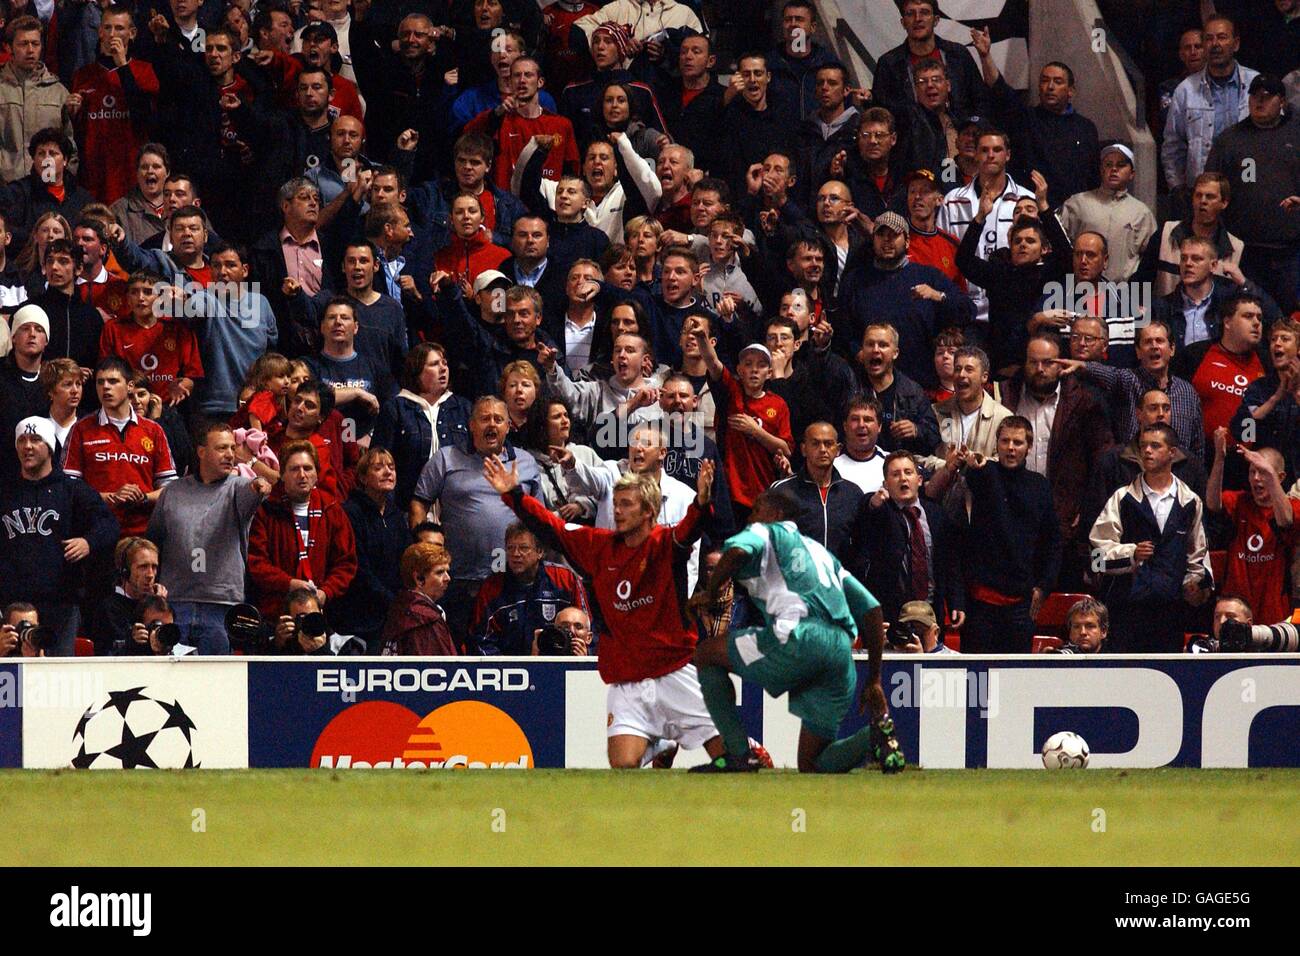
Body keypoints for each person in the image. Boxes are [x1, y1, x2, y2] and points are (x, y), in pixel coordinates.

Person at [485, 451, 724, 769]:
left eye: (627, 504)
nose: (618, 510)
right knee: (622, 767)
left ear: (649, 511)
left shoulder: (665, 545)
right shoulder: (598, 546)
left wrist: (701, 504)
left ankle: (726, 748)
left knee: (730, 757)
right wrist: (514, 496)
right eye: (616, 502)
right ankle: (661, 741)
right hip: (626, 679)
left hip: (674, 670)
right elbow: (552, 528)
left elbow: (689, 530)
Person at [689, 489, 903, 773]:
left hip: (796, 639)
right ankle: (874, 736)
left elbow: (737, 551)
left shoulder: (765, 531)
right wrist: (874, 678)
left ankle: (740, 754)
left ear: (775, 514)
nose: (750, 517)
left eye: (756, 510)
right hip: (840, 652)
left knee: (705, 653)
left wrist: (711, 591)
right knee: (812, 764)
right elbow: (872, 610)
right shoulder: (821, 554)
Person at [410, 396, 540, 640]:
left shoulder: (526, 462)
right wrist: (424, 550)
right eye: (484, 419)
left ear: (508, 426)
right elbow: (419, 501)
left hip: (510, 579)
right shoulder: (446, 457)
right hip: (456, 580)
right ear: (471, 425)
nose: (492, 424)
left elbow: (538, 519)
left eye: (498, 419)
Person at [146, 420, 271, 654]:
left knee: (218, 683)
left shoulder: (238, 487)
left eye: (233, 448)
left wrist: (260, 485)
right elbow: (153, 541)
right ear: (201, 452)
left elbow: (253, 491)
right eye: (221, 448)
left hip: (222, 605)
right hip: (175, 602)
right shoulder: (172, 492)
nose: (230, 455)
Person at [1000, 335, 1113, 588]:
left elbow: (1103, 460)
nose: (1040, 370)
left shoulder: (1085, 402)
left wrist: (1087, 506)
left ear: (1061, 364)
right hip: (1012, 517)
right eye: (1033, 362)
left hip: (1065, 522)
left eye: (1048, 362)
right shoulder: (1006, 396)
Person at [1090, 422, 1213, 653]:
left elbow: (1199, 555)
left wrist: (1194, 586)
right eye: (1143, 446)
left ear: (1172, 453)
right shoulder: (1122, 498)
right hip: (1127, 609)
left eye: (1155, 446)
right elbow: (1096, 557)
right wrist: (1131, 554)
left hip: (1171, 613)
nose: (1147, 451)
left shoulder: (1190, 501)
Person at [0, 416, 118, 656]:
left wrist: (88, 542)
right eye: (21, 440)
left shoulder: (72, 489)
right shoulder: (6, 491)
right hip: (11, 605)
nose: (27, 446)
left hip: (60, 604)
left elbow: (109, 525)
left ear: (50, 447)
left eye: (35, 439)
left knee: (58, 676)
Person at [952, 416, 1061, 652]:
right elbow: (976, 470)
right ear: (997, 444)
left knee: (1016, 680)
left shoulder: (1039, 486)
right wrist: (974, 463)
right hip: (980, 602)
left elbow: (1052, 542)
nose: (1011, 448)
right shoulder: (985, 473)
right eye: (1005, 441)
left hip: (1021, 604)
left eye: (1018, 442)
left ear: (1029, 447)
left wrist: (1044, 586)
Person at [834, 212, 973, 389]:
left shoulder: (928, 275)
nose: (887, 240)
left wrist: (938, 296)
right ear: (873, 240)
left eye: (894, 235)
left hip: (922, 384)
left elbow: (968, 310)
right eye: (881, 235)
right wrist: (858, 352)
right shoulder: (856, 280)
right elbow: (842, 329)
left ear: (907, 242)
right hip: (869, 384)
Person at [1204, 73, 1300, 314]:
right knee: (1245, 313)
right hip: (1243, 251)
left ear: (1282, 102)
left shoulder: (1296, 134)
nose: (1259, 101)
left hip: (1290, 251)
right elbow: (1211, 184)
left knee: (1288, 317)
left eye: (1266, 97)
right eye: (1254, 96)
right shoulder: (1230, 139)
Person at [974, 41, 1100, 208]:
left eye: (1058, 81)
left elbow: (1093, 178)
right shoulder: (1025, 118)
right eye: (1045, 80)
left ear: (1071, 91)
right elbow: (998, 88)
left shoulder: (1086, 128)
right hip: (1032, 211)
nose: (1050, 87)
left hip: (1074, 213)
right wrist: (985, 56)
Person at [63, 357, 177, 536]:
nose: (106, 387)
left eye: (113, 381)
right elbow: (68, 487)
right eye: (100, 382)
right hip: (96, 533)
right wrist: (111, 497)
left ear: (130, 386)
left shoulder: (154, 430)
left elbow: (170, 489)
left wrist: (143, 498)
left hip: (144, 534)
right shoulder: (81, 429)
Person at [248, 439, 358, 620]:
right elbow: (257, 563)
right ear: (282, 475)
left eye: (308, 468)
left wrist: (326, 592)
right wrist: (289, 583)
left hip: (320, 612)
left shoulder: (331, 509)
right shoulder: (266, 511)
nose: (302, 475)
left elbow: (346, 562)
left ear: (317, 474)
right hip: (276, 612)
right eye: (294, 469)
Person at [694, 328, 793, 524]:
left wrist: (755, 431)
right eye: (748, 364)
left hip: (763, 491)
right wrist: (702, 338)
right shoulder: (731, 393)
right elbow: (713, 364)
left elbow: (786, 449)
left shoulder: (778, 404)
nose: (754, 370)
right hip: (730, 492)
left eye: (761, 365)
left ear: (770, 373)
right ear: (740, 370)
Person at [1161, 15, 1258, 206]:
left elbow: (1272, 137)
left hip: (1248, 187)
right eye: (1209, 38)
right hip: (1203, 192)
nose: (1215, 44)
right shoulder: (1185, 90)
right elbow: (1173, 145)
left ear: (1236, 44)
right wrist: (1177, 187)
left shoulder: (1256, 84)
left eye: (1222, 37)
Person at [68, 6, 159, 206]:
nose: (112, 35)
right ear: (99, 31)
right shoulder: (83, 75)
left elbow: (144, 118)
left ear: (132, 33)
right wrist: (72, 114)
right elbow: (78, 132)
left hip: (130, 173)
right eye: (107, 28)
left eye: (119, 28)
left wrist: (123, 67)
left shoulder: (144, 71)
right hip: (93, 177)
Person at [1207, 428, 1297, 625]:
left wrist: (1269, 474)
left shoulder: (1292, 507)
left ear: (1280, 477)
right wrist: (1220, 459)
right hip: (1236, 608)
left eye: (1262, 472)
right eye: (1252, 471)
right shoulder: (1240, 502)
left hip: (1275, 610)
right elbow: (1213, 503)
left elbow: (1286, 521)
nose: (1256, 478)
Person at [371, 342, 471, 509]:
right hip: (407, 507)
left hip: (456, 509)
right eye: (434, 364)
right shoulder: (396, 409)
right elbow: (379, 462)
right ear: (416, 372)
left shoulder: (463, 407)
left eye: (444, 363)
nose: (443, 368)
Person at [468, 522, 591, 655]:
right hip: (511, 668)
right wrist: (511, 670)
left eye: (523, 548)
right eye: (510, 548)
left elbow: (586, 627)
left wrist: (583, 658)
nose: (515, 554)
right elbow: (481, 641)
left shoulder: (565, 579)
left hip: (560, 665)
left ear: (540, 552)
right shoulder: (491, 588)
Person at [338, 447, 411, 653]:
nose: (388, 472)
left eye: (391, 467)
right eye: (378, 468)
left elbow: (407, 561)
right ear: (362, 477)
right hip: (360, 617)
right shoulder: (350, 512)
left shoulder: (396, 515)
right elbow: (359, 567)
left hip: (393, 615)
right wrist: (392, 601)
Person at [99, 270, 204, 405]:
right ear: (127, 298)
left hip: (169, 408)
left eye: (148, 292)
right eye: (134, 292)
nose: (140, 298)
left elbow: (193, 374)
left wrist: (183, 386)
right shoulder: (113, 328)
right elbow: (105, 371)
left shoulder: (177, 328)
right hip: (127, 406)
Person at [871, 0, 986, 120]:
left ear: (936, 20)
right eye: (910, 13)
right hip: (910, 137)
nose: (918, 19)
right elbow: (882, 116)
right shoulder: (889, 64)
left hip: (961, 134)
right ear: (903, 22)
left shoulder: (958, 55)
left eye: (924, 12)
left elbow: (980, 102)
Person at [1057, 144, 1156, 283]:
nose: (1114, 169)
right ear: (1101, 169)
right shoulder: (1077, 203)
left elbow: (1150, 259)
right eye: (1108, 164)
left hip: (1124, 292)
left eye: (1121, 165)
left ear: (1132, 174)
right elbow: (1059, 245)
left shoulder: (1141, 213)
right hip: (1081, 289)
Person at [769, 421, 864, 565]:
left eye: (828, 444)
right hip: (794, 583)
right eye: (815, 443)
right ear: (803, 449)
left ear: (838, 450)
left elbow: (861, 546)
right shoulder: (781, 492)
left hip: (839, 583)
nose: (822, 449)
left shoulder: (853, 494)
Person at [1137, 171, 1244, 298]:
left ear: (1224, 203)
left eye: (1210, 196)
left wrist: (1244, 283)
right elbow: (1140, 282)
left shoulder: (1236, 249)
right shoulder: (1166, 234)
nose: (1203, 201)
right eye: (1198, 195)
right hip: (1167, 315)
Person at [0, 17, 78, 184]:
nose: (30, 50)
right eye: (23, 44)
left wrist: (62, 181)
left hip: (46, 188)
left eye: (35, 44)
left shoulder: (58, 92)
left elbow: (69, 145)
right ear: (8, 47)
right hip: (6, 188)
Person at [853, 322, 940, 458]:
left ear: (895, 353)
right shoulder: (851, 387)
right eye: (870, 344)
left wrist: (916, 430)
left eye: (883, 345)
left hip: (901, 467)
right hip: (858, 462)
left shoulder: (912, 391)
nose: (875, 350)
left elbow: (934, 435)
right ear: (862, 351)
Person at [380, 542, 457, 656]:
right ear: (419, 579)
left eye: (447, 571)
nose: (448, 578)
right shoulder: (424, 620)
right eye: (440, 572)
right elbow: (441, 669)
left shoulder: (399, 607)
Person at [101, 536, 167, 655]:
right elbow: (108, 653)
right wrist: (131, 641)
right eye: (143, 567)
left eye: (154, 567)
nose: (150, 574)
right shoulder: (109, 608)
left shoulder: (157, 602)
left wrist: (159, 606)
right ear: (125, 571)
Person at [271, 586, 366, 656]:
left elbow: (343, 680)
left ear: (321, 613)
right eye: (301, 618)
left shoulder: (347, 645)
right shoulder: (281, 642)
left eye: (312, 616)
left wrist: (321, 651)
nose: (308, 622)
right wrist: (277, 646)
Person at [834, 398, 887, 494]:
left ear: (879, 427)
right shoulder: (830, 465)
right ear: (845, 426)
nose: (861, 425)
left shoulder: (892, 463)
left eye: (868, 419)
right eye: (855, 419)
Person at [886, 600, 957, 654]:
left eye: (919, 631)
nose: (913, 636)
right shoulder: (891, 657)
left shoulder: (953, 661)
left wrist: (920, 660)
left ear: (936, 633)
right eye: (908, 630)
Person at [1045, 596, 1110, 654]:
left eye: (1090, 626)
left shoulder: (1118, 659)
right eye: (1076, 627)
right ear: (1070, 632)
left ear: (1103, 631)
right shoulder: (1061, 654)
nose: (1082, 632)